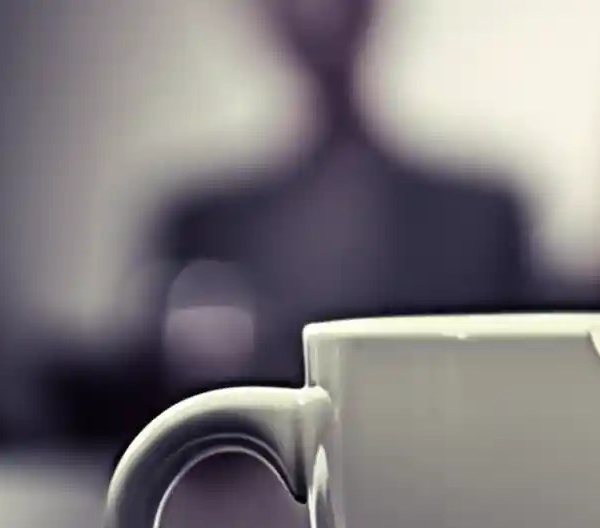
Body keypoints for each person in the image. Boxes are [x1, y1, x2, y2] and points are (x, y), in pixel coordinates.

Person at [49, 0, 534, 444]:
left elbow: (523, 392)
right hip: (240, 504)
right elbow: (142, 411)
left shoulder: (482, 215)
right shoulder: (198, 221)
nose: (318, 11)